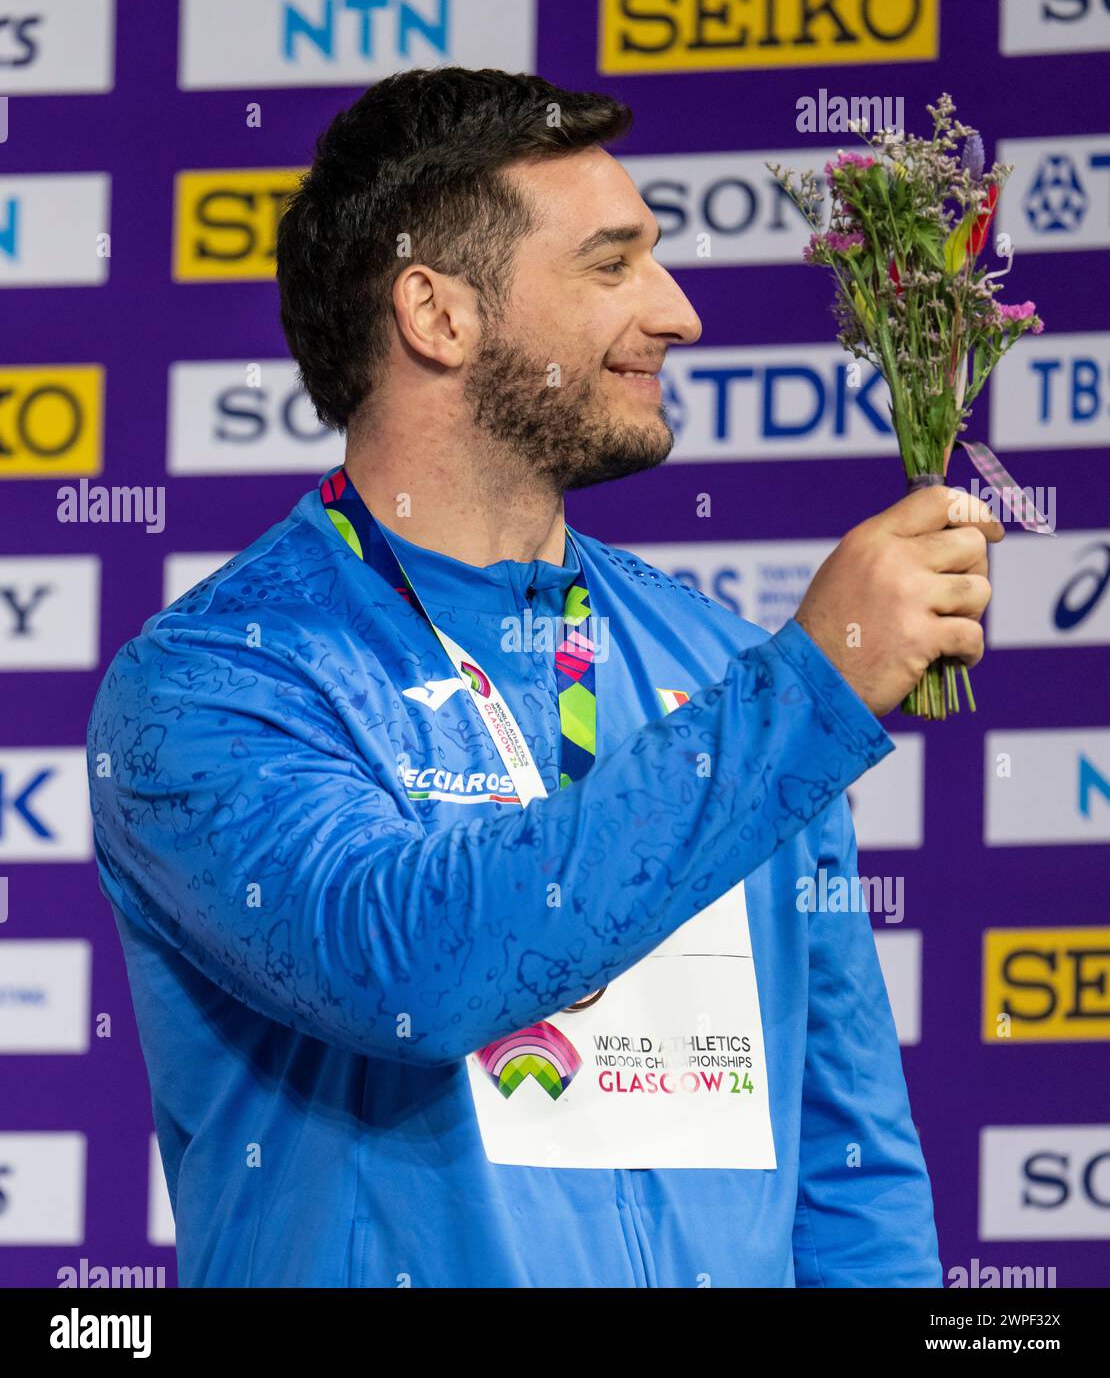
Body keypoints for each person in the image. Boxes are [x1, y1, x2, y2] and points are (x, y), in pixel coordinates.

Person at [88, 67, 1000, 1288]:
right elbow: (406, 968)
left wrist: (791, 697)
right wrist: (811, 691)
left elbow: (846, 1152)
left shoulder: (719, 662)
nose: (677, 313)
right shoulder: (213, 684)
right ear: (440, 315)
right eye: (613, 264)